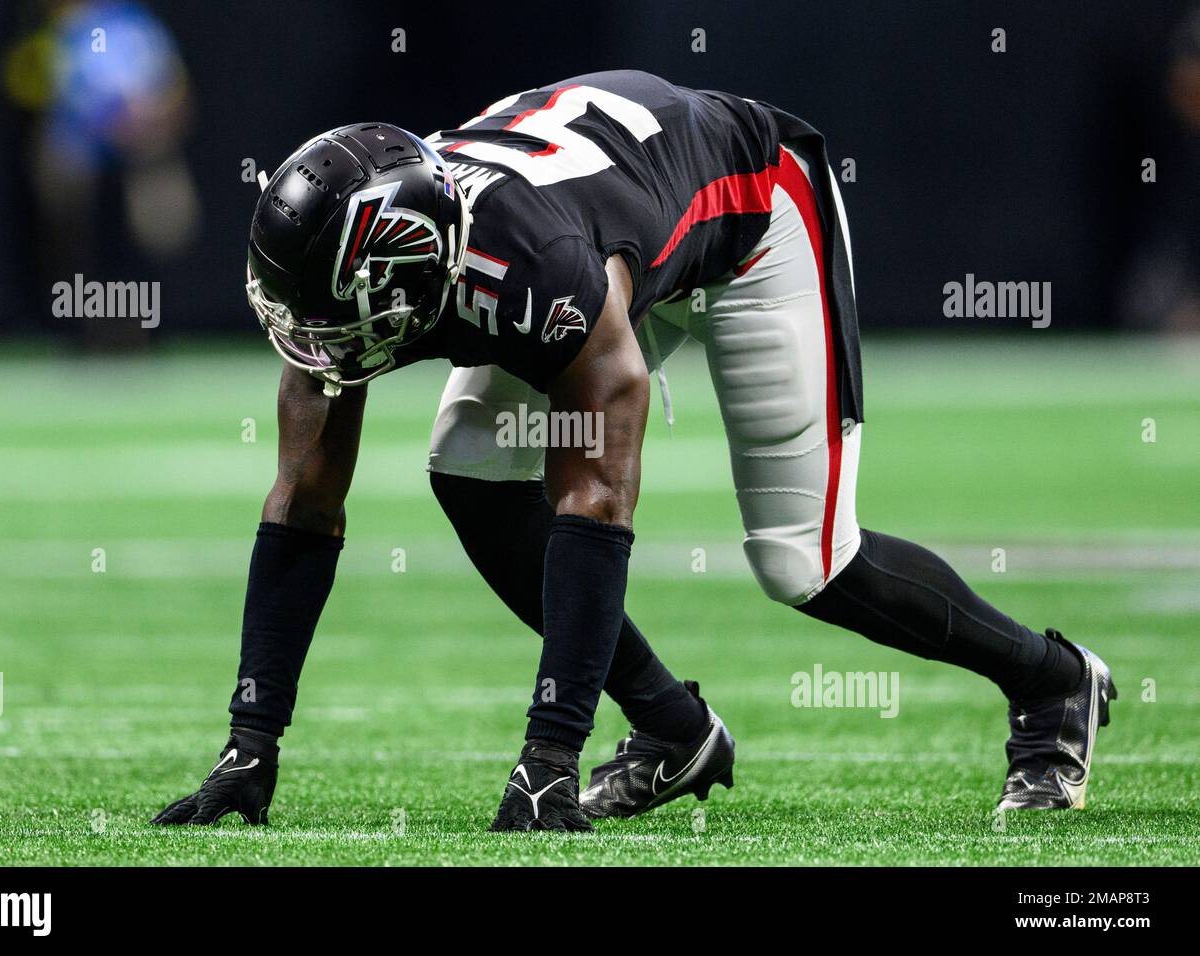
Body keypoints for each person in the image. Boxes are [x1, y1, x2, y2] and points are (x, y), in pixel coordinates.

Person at [151, 71, 1114, 832]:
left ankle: (1051, 682)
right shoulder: (382, 256)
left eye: (326, 316)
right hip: (615, 224)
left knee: (805, 560)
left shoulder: (531, 271)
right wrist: (249, 745)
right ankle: (673, 732)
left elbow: (597, 497)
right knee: (472, 471)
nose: (311, 344)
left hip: (751, 217)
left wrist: (549, 759)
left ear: (404, 273)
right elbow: (304, 500)